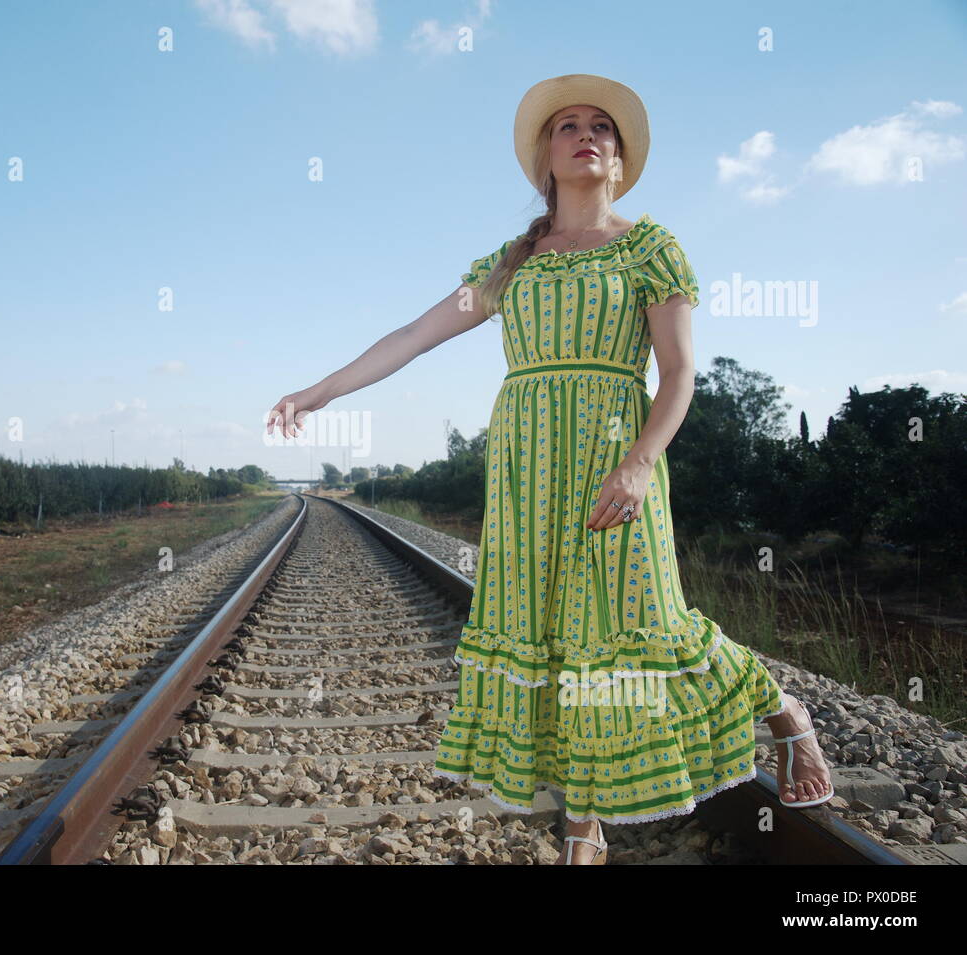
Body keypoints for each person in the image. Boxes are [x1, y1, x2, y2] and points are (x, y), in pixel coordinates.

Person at [265, 73, 834, 865]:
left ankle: (785, 712)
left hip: (613, 465)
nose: (586, 133)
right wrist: (321, 389)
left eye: (602, 125)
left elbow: (678, 376)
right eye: (568, 125)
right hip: (526, 473)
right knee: (554, 641)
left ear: (620, 156)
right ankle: (582, 824)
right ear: (547, 157)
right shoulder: (514, 260)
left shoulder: (650, 248)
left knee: (647, 626)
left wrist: (639, 465)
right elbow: (413, 335)